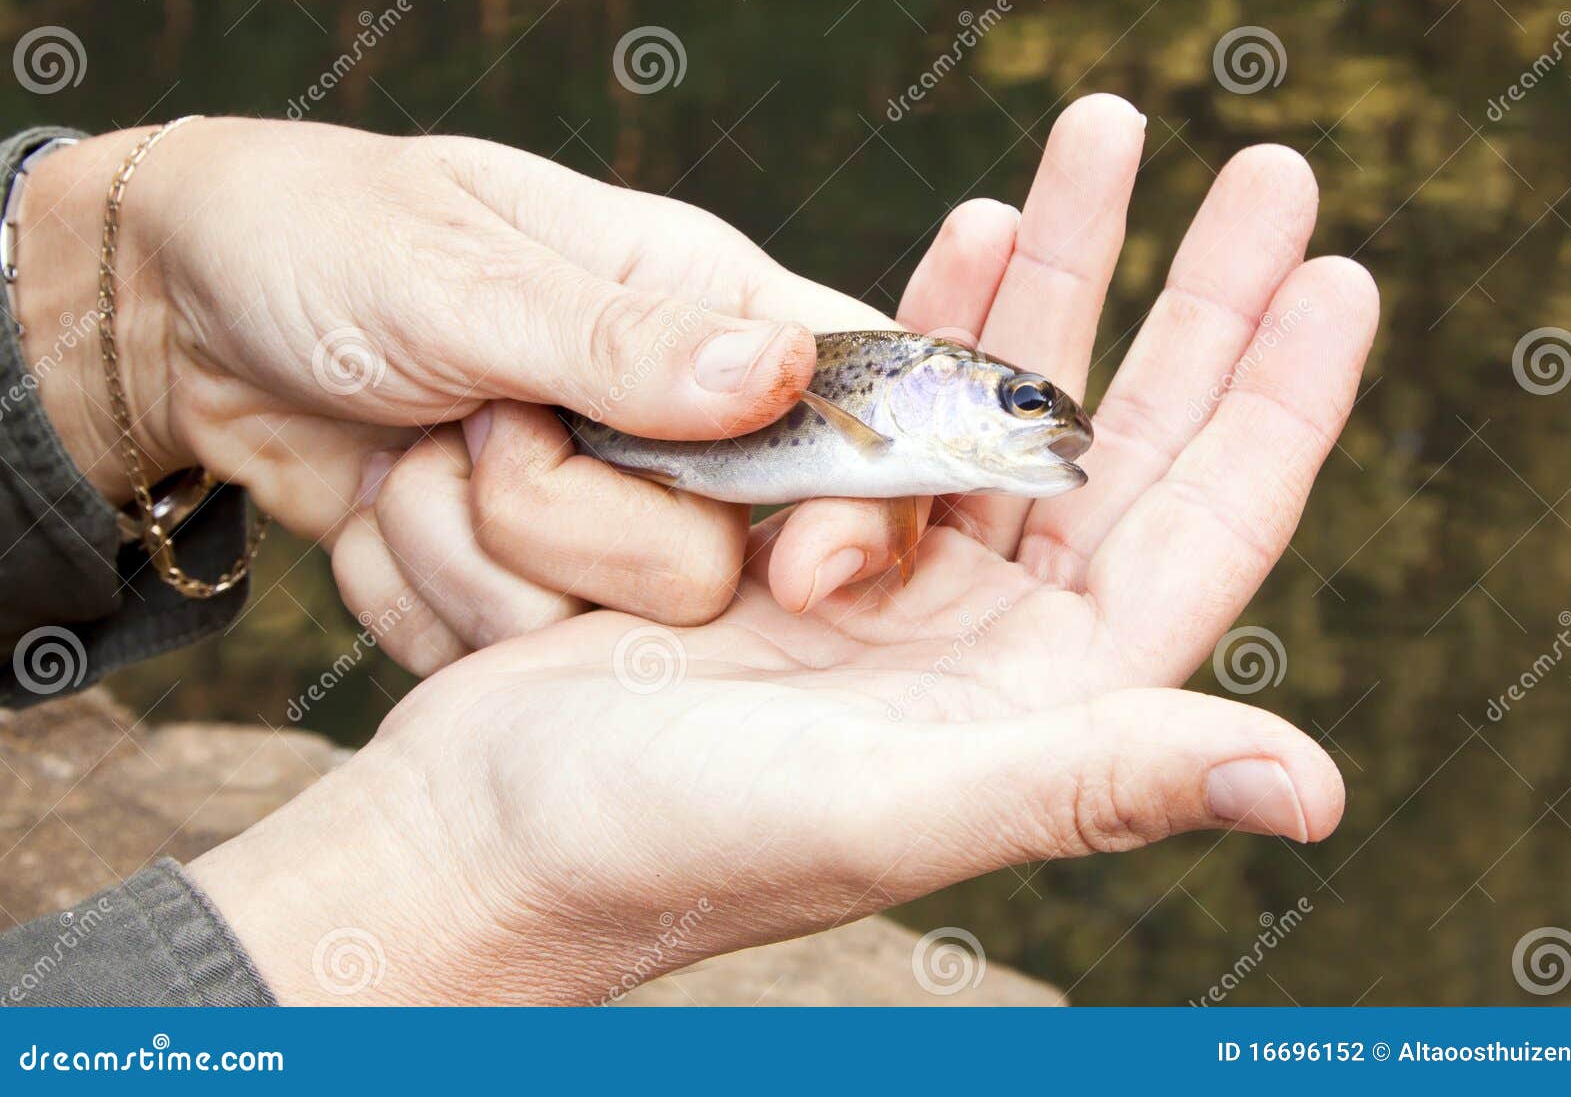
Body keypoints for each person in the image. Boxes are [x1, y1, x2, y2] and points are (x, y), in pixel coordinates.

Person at [0, 95, 1377, 1005]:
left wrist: (141, 302)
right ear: (929, 386)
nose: (1039, 422)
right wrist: (451, 872)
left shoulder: (909, 432)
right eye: (1016, 402)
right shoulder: (865, 385)